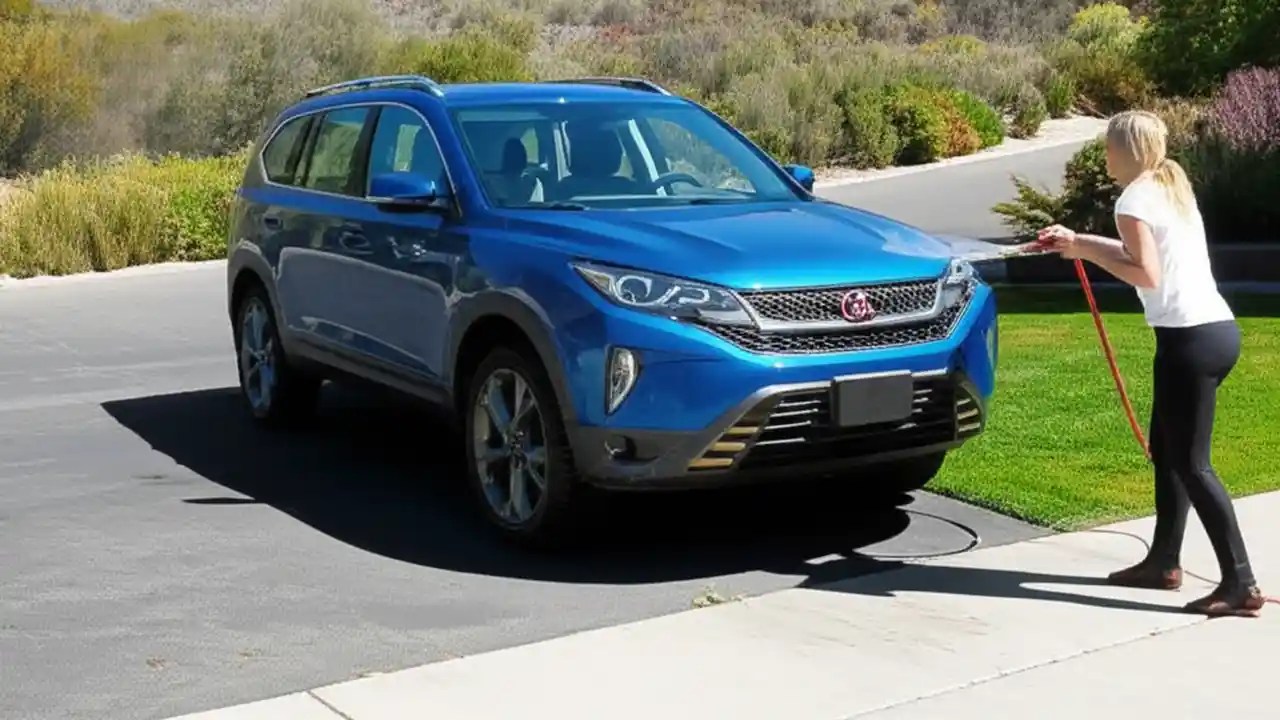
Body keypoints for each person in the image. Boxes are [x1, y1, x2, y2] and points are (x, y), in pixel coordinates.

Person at [1037, 110, 1265, 618]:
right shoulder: (1168, 188)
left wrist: (1087, 254)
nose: (1105, 155)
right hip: (1214, 332)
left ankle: (1240, 583)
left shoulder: (1133, 197)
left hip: (1190, 341)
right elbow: (1139, 252)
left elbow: (1146, 273)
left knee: (1192, 463)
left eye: (1108, 146)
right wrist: (1077, 242)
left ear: (1128, 150)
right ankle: (1164, 562)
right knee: (1168, 451)